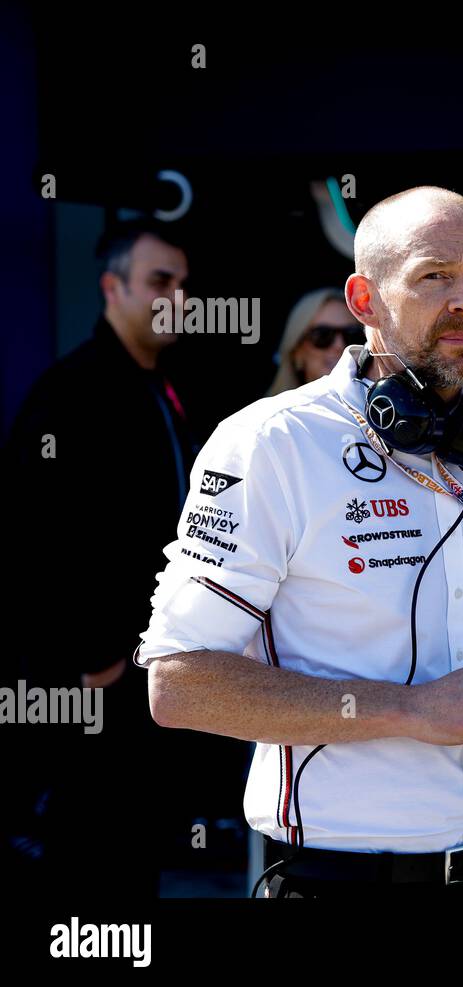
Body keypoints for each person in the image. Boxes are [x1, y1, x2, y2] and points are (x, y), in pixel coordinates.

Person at [136, 186, 463, 898]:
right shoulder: (271, 442)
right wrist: (413, 709)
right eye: (434, 276)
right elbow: (180, 684)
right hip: (344, 878)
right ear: (364, 300)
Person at [3, 218, 197, 898]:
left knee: (131, 860)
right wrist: (90, 656)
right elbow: (31, 536)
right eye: (158, 281)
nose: (176, 296)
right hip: (95, 689)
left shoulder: (160, 387)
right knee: (89, 866)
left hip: (148, 682)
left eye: (182, 282)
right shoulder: (72, 392)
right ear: (111, 286)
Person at [266, 288, 365, 394]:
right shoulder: (270, 410)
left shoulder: (380, 407)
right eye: (323, 335)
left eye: (352, 335)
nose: (339, 346)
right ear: (297, 352)